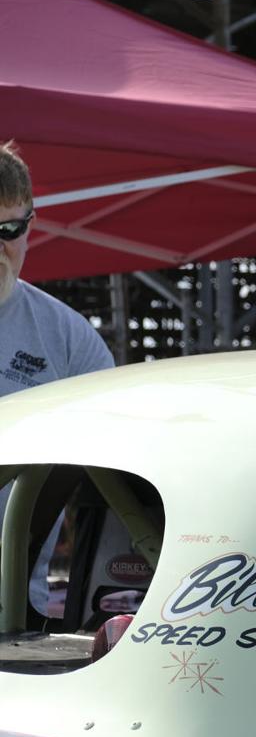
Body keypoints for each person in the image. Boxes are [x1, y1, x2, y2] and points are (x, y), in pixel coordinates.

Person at [0, 141, 115, 616]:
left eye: (8, 228)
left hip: (12, 609)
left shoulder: (67, 338)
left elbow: (119, 470)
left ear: (30, 225)